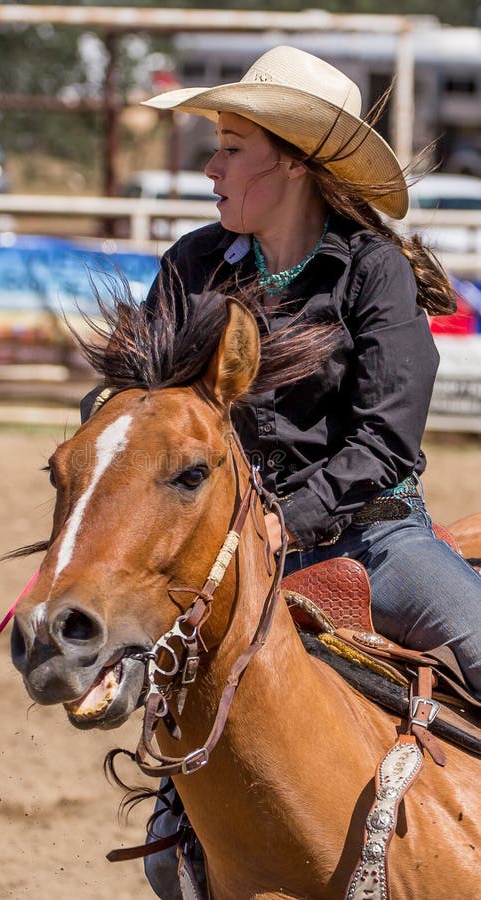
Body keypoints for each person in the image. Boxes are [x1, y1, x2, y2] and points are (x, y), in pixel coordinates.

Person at [81, 45, 481, 898]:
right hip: (229, 553)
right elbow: (145, 400)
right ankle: (188, 811)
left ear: (292, 163)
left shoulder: (373, 273)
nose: (210, 168)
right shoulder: (194, 266)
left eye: (230, 148)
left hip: (375, 541)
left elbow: (384, 447)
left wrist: (282, 517)